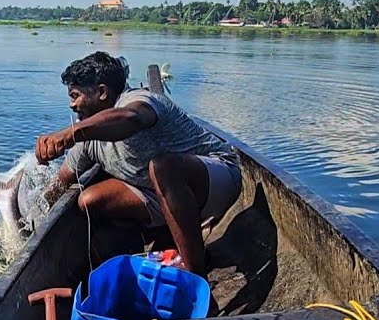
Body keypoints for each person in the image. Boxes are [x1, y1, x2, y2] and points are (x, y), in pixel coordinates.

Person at [34, 51, 241, 274]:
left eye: (75, 96)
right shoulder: (87, 139)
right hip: (157, 195)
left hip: (217, 179)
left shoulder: (138, 100)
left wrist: (69, 134)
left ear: (102, 92)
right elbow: (63, 180)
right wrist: (35, 216)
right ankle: (160, 241)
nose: (72, 105)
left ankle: (194, 271)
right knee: (87, 200)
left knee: (162, 168)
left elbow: (131, 118)